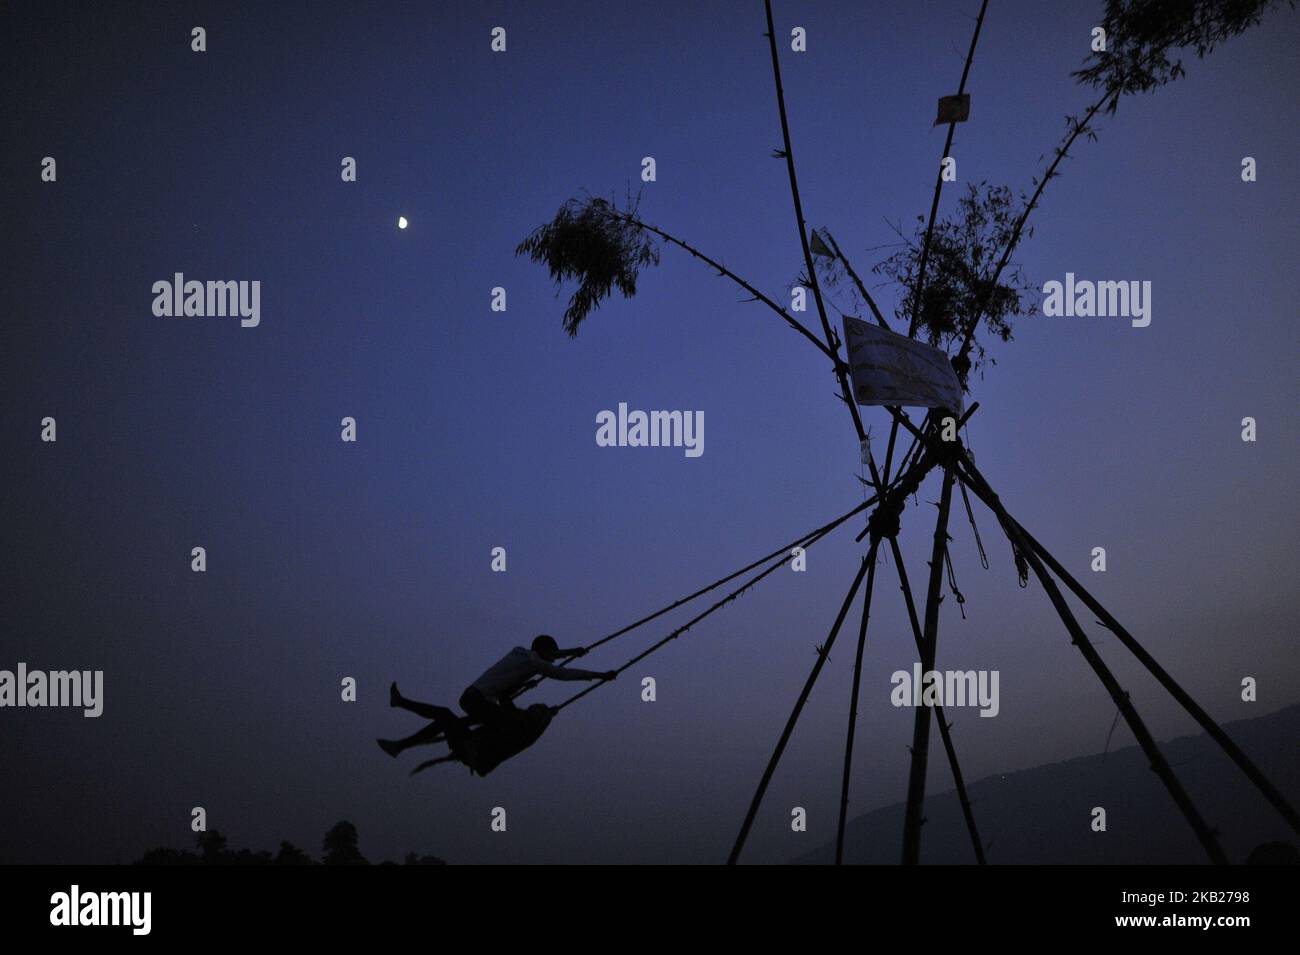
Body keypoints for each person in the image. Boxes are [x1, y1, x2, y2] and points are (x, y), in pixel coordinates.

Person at [377, 634, 615, 763]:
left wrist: (523, 685)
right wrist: (597, 673)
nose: (552, 659)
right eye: (551, 654)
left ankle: (400, 743)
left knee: (446, 718)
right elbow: (562, 673)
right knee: (513, 722)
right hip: (477, 701)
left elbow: (504, 695)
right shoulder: (527, 656)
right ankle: (473, 749)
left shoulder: (526, 664)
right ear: (542, 650)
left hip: (476, 700)